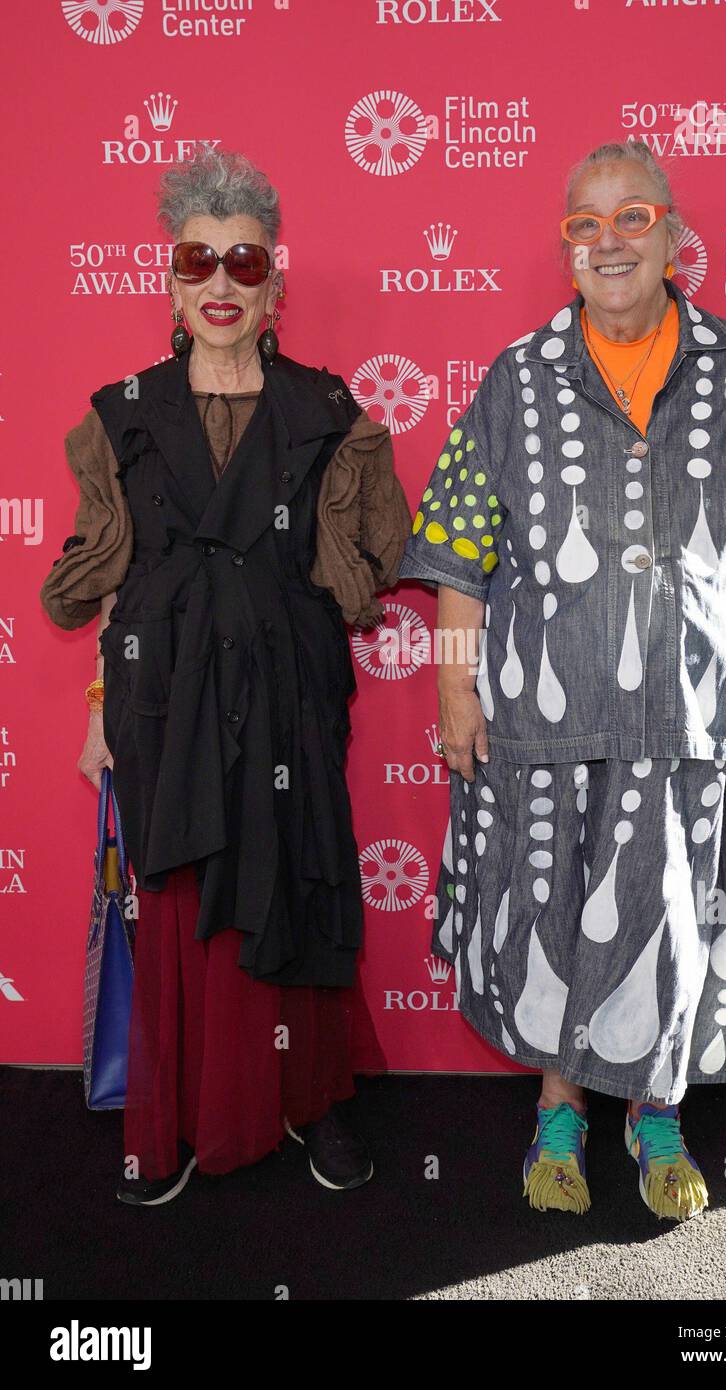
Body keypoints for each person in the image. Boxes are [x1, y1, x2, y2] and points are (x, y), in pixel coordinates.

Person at [397, 140, 726, 1222]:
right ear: (565, 247)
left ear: (669, 232)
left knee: (675, 909)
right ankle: (557, 1110)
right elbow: (459, 548)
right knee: (553, 900)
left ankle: (657, 1113)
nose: (606, 240)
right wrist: (453, 691)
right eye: (582, 222)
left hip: (705, 712)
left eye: (630, 217)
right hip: (547, 715)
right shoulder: (516, 378)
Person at [40, 145, 411, 1206]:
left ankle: (308, 1098)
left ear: (273, 283)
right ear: (169, 280)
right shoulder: (122, 414)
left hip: (292, 695)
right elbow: (106, 577)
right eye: (196, 263)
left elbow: (369, 565)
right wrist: (101, 709)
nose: (217, 285)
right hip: (163, 698)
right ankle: (185, 1117)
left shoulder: (329, 413)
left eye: (241, 263)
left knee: (298, 876)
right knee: (185, 899)